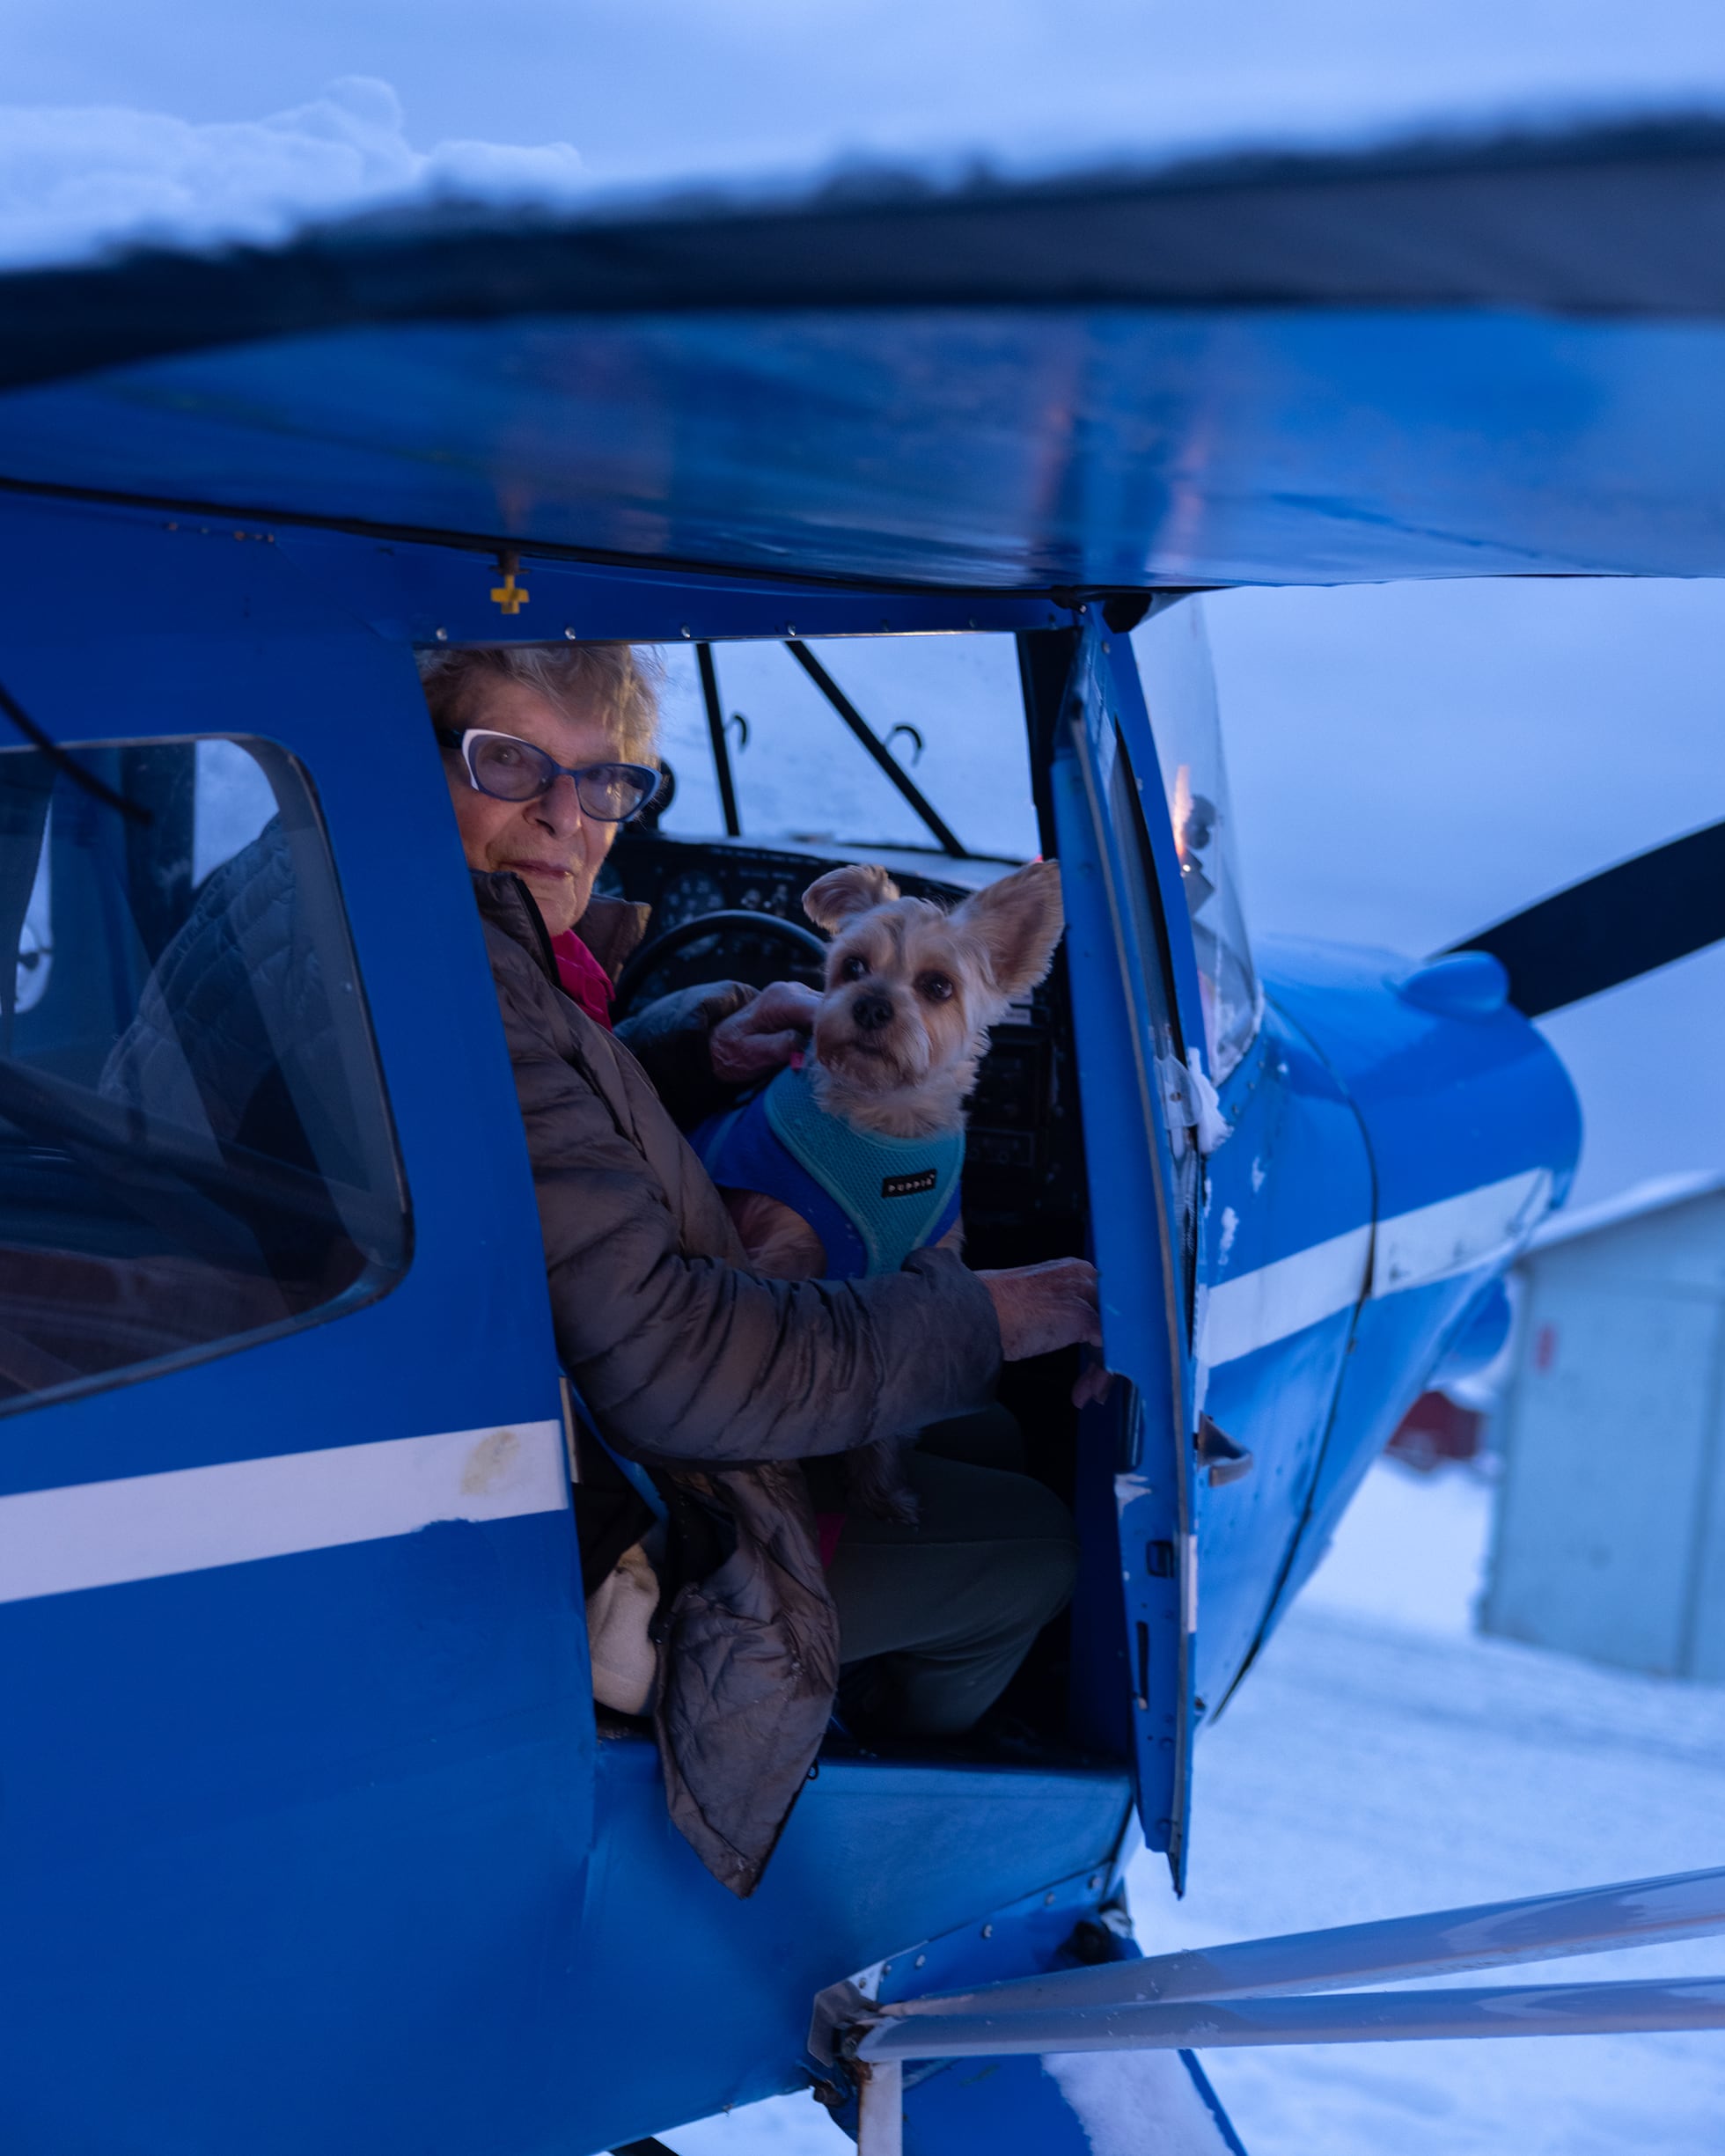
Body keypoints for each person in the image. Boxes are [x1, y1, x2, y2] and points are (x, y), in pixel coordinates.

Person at [420, 642, 1104, 1897]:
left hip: (591, 1428)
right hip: (627, 1516)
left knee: (990, 1443)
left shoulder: (467, 948)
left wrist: (689, 1048)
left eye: (603, 781)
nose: (567, 817)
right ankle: (899, 1846)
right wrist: (994, 1313)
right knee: (1035, 1544)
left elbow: (567, 1127)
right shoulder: (466, 984)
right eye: (510, 764)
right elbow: (693, 1361)